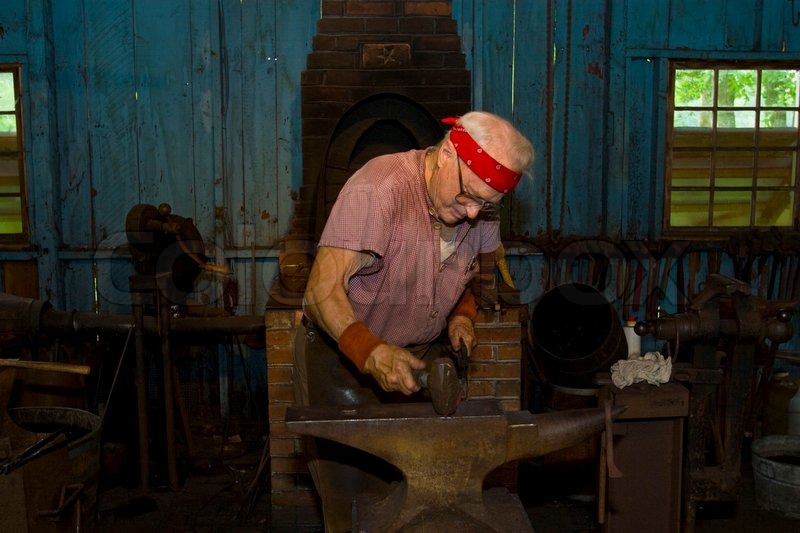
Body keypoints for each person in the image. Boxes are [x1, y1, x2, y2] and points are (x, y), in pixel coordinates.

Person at [293, 111, 534, 532]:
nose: (475, 214)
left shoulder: (479, 209)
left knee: (419, 502)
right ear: (446, 155)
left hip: (416, 364)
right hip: (343, 364)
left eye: (488, 204)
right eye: (467, 197)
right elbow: (319, 292)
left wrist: (462, 316)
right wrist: (369, 354)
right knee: (355, 506)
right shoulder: (378, 189)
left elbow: (475, 276)